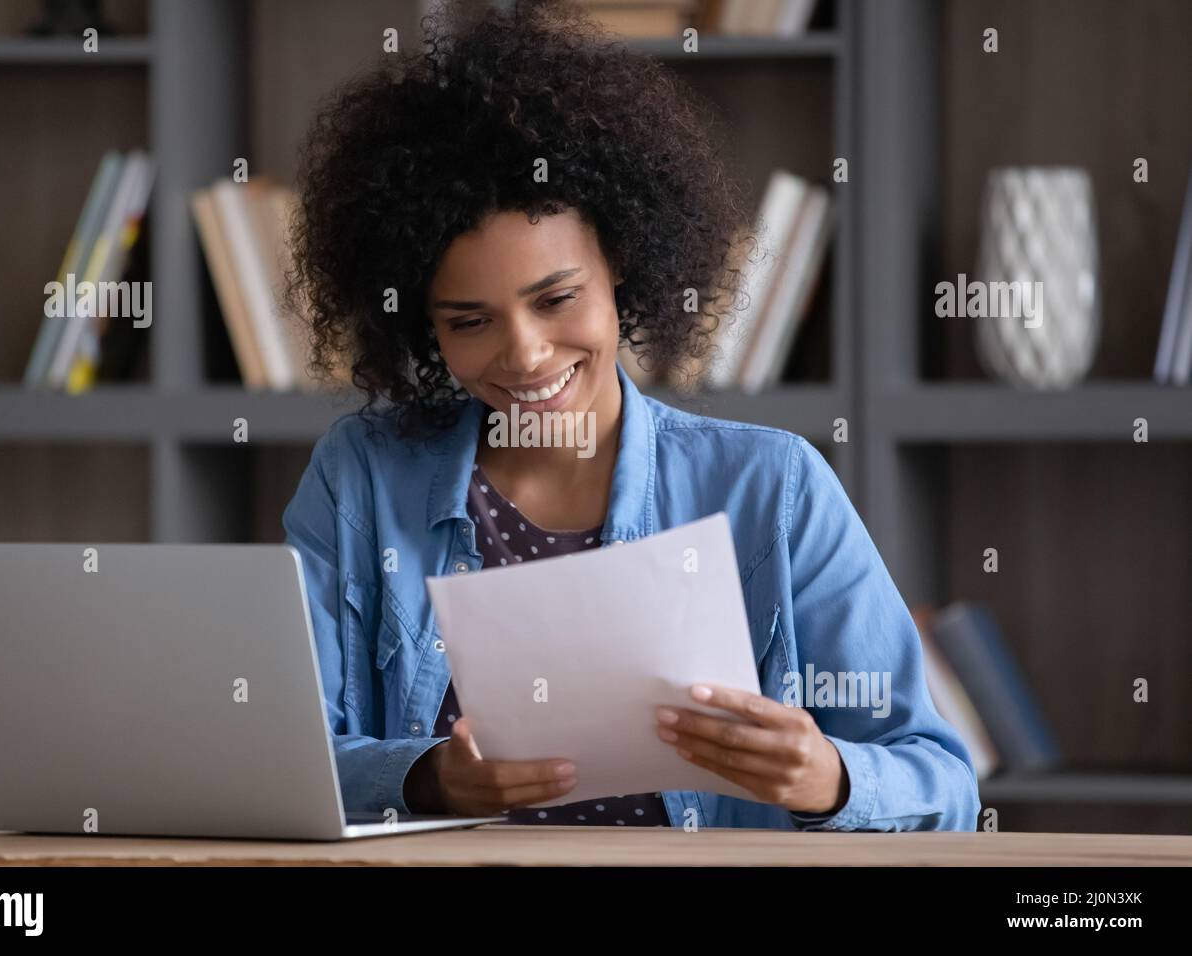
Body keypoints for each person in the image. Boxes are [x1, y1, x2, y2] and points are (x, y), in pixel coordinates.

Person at [282, 0, 979, 830]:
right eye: (469, 321)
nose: (527, 355)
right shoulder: (361, 477)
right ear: (420, 325)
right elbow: (284, 757)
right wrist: (424, 778)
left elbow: (943, 781)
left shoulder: (773, 488)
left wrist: (827, 777)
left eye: (557, 299)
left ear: (622, 264)